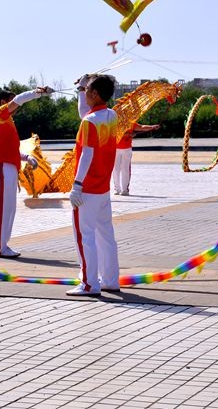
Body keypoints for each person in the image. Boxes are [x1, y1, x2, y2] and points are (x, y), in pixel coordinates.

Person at [67, 74, 122, 297]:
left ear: (95, 94)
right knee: (106, 236)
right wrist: (82, 87)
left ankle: (89, 284)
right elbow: (86, 114)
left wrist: (77, 185)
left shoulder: (89, 122)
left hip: (87, 189)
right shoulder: (111, 116)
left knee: (85, 236)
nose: (85, 93)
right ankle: (110, 280)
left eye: (88, 90)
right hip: (103, 189)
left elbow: (86, 154)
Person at [0, 86, 52, 258]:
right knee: (2, 208)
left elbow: (10, 149)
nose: (17, 106)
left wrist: (26, 157)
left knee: (9, 209)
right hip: (1, 167)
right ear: (4, 102)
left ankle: (3, 245)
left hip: (9, 168)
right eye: (12, 101)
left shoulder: (8, 121)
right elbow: (20, 100)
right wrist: (37, 93)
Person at [112, 122, 160, 196]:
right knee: (116, 169)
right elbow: (113, 132)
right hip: (115, 149)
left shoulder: (130, 122)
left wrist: (152, 127)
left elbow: (141, 127)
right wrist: (128, 134)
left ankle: (125, 190)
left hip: (127, 149)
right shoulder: (113, 122)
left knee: (125, 169)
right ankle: (117, 189)